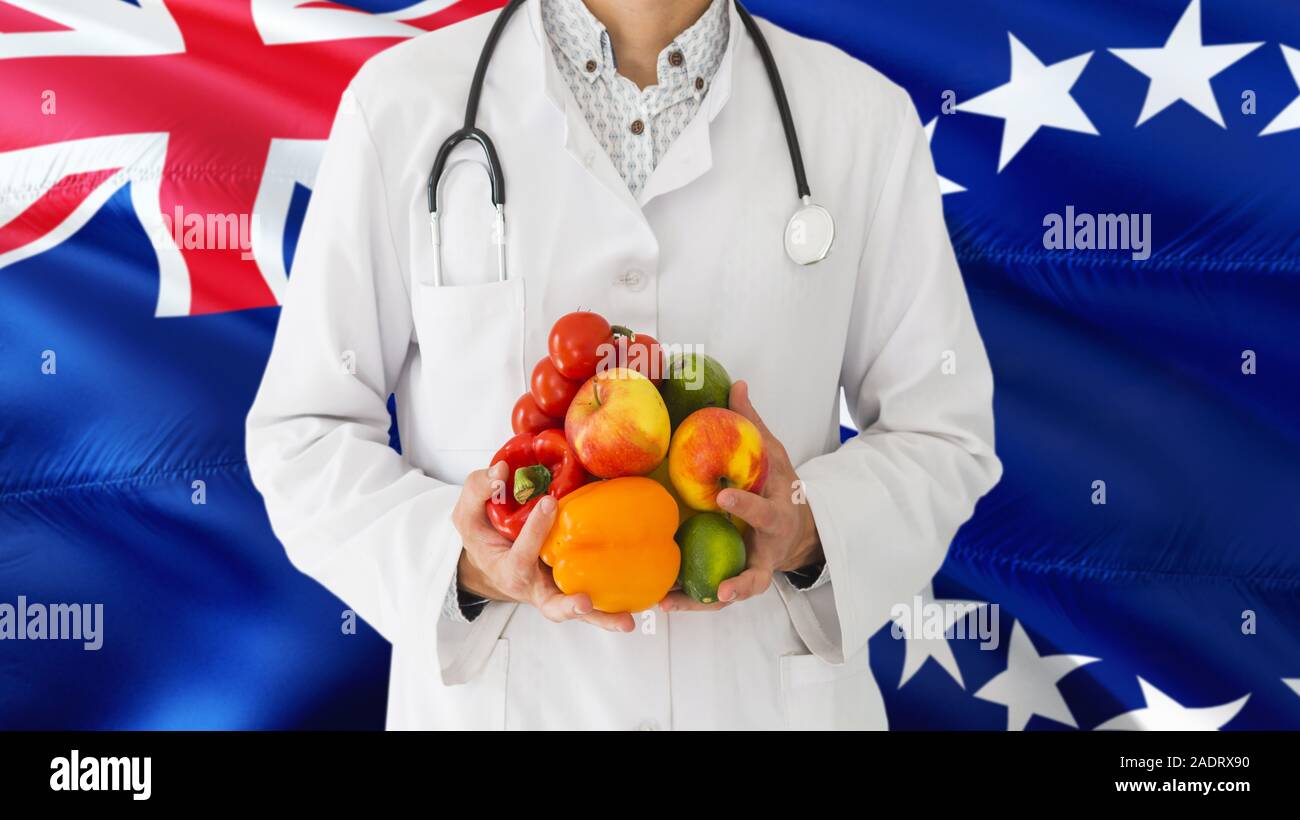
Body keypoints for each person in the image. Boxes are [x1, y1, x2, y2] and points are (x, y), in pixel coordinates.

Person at [246, 0, 1001, 730]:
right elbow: (304, 433)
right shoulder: (401, 106)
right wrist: (465, 566)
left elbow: (942, 432)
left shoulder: (862, 121)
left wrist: (809, 530)